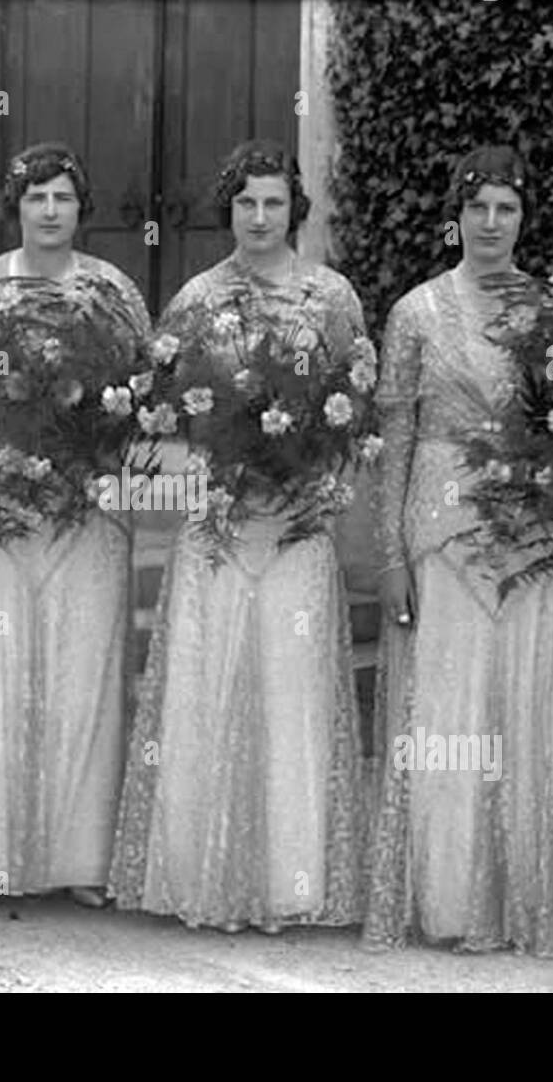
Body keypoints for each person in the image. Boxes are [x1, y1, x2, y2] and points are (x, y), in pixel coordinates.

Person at [108, 140, 368, 933]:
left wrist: (317, 486)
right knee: (205, 686)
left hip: (293, 524)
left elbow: (355, 412)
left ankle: (290, 880)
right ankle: (200, 871)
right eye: (246, 202)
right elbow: (159, 413)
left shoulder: (331, 297)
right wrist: (207, 472)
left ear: (296, 209)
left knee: (293, 695)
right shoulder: (195, 298)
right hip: (218, 521)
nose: (260, 217)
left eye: (274, 202)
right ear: (229, 209)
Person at [0, 143, 151, 909]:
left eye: (64, 197)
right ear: (15, 207)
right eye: (36, 196)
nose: (50, 210)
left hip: (86, 509)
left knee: (83, 675)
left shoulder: (114, 293)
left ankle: (80, 858)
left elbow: (142, 407)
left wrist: (88, 438)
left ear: (83, 208)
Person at [363, 145, 553, 956]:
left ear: (524, 219)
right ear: (456, 215)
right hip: (441, 526)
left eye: (507, 209)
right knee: (447, 714)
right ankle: (449, 900)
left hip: (530, 533)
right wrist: (389, 555)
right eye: (478, 207)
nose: (491, 224)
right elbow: (396, 434)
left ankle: (512, 901)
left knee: (518, 707)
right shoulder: (415, 312)